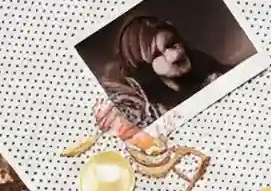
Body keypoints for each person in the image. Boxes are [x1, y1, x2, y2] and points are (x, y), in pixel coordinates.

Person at [96, 16, 228, 129]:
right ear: (144, 67)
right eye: (157, 55)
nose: (174, 55)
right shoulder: (149, 113)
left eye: (172, 43)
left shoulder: (201, 62)